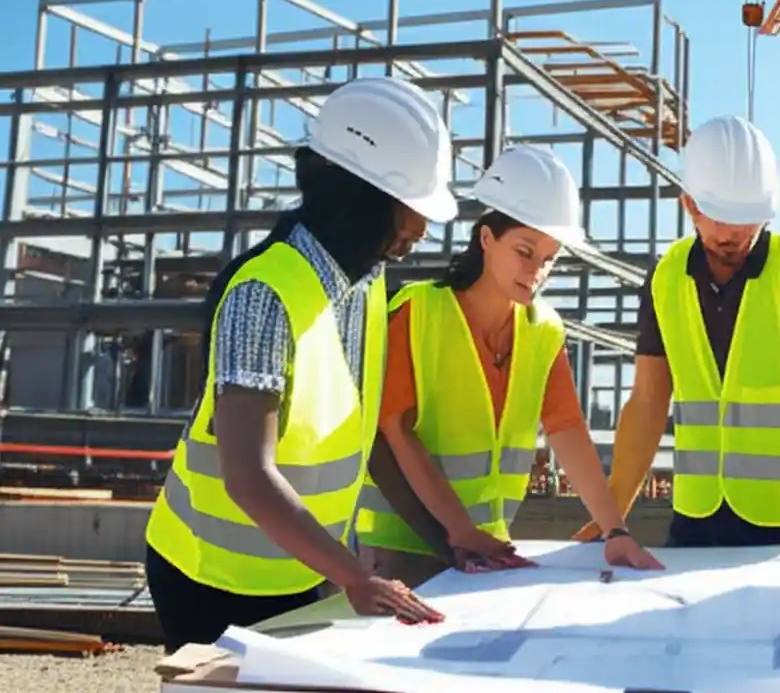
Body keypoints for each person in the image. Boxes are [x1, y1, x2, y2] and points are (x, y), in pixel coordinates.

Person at [143, 76, 457, 654]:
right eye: (411, 207)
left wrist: (448, 540)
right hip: (206, 579)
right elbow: (248, 476)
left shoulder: (365, 285)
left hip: (298, 571)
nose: (420, 228)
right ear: (359, 197)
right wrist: (356, 577)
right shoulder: (263, 295)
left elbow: (366, 440)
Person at [355, 145, 663, 584]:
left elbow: (567, 430)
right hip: (401, 550)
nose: (537, 271)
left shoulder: (543, 330)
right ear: (486, 239)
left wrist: (615, 530)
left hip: (486, 546)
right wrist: (459, 531)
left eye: (549, 259)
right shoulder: (418, 311)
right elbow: (396, 430)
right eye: (524, 251)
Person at [572, 115, 780, 570]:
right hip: (694, 519)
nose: (732, 234)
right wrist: (612, 518)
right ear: (689, 204)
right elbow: (647, 400)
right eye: (719, 218)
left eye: (746, 221)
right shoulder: (665, 276)